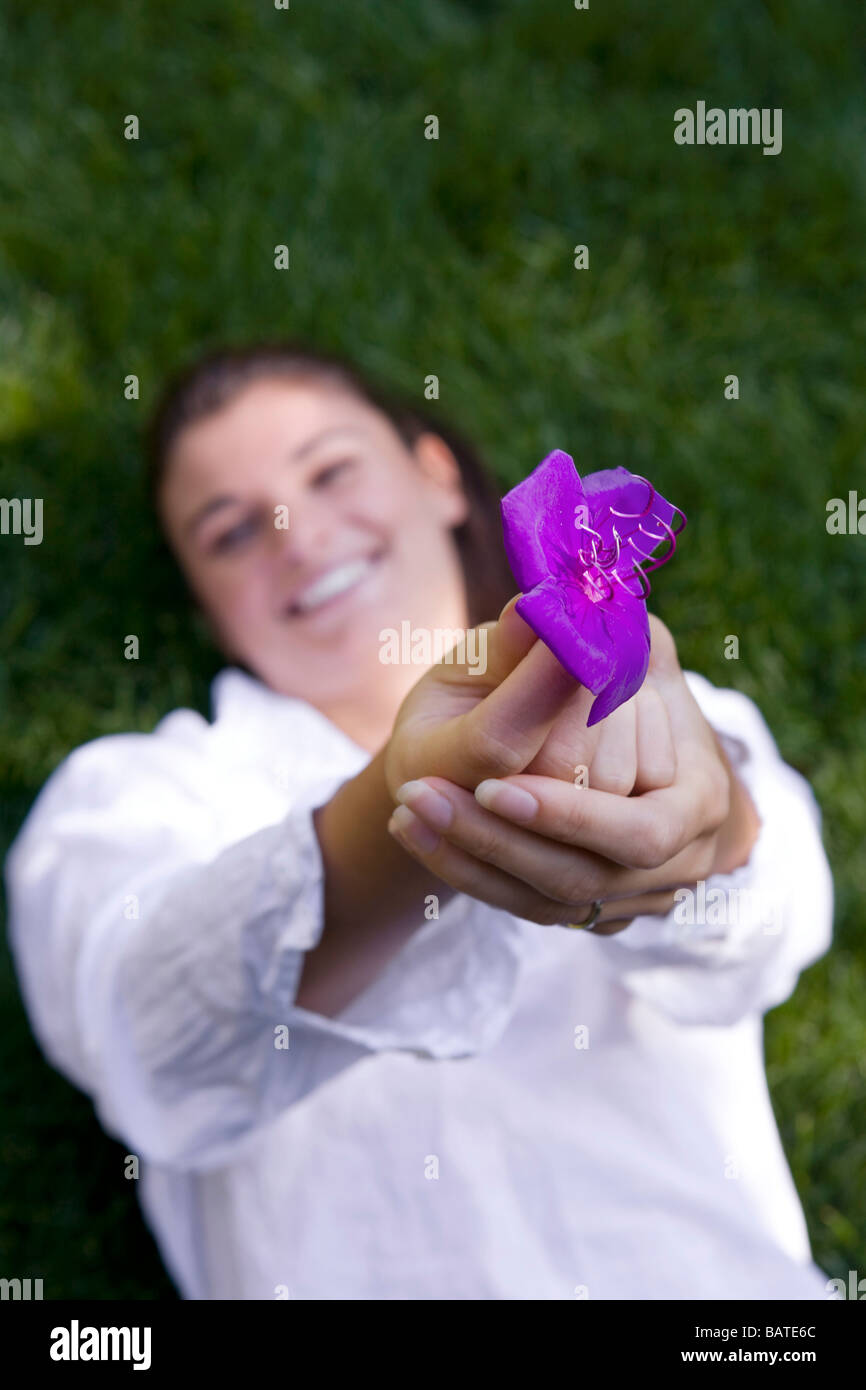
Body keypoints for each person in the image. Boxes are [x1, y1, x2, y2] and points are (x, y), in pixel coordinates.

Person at [5, 343, 833, 1300]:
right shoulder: (135, 795)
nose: (297, 534)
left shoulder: (668, 705)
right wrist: (396, 815)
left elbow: (778, 929)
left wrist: (715, 833)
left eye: (330, 471)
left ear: (438, 475)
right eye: (230, 533)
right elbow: (147, 1037)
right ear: (206, 606)